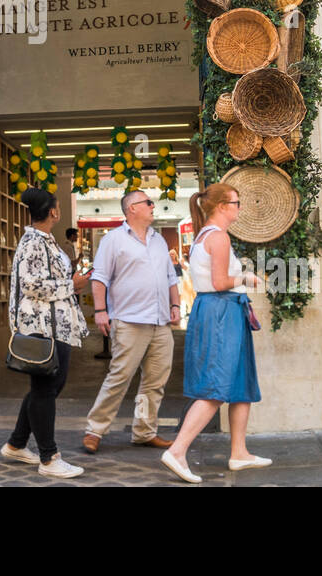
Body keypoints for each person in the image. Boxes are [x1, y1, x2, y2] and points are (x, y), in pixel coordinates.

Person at [160, 184, 269, 484]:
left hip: (223, 311)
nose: (240, 207)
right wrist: (246, 277)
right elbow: (220, 281)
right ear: (222, 206)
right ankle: (178, 450)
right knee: (216, 385)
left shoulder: (205, 236)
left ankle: (239, 452)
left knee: (239, 382)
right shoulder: (218, 237)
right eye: (237, 202)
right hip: (221, 312)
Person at [1, 187, 92, 478]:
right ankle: (49, 458)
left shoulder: (45, 240)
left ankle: (16, 444)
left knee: (49, 386)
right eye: (57, 206)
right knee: (46, 388)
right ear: (53, 211)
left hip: (55, 325)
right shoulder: (33, 242)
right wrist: (72, 286)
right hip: (42, 327)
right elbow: (32, 285)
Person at [82, 189, 181, 453]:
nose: (152, 205)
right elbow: (100, 278)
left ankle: (144, 431)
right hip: (129, 321)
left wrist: (175, 305)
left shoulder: (158, 240)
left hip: (160, 322)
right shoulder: (113, 240)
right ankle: (95, 429)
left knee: (154, 381)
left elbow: (171, 278)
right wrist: (100, 311)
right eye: (147, 202)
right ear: (132, 209)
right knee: (119, 377)